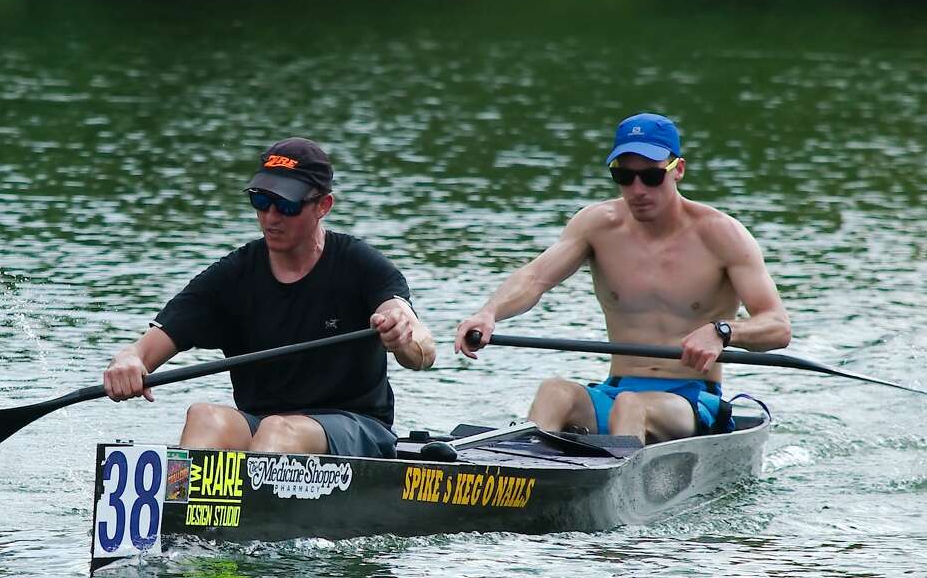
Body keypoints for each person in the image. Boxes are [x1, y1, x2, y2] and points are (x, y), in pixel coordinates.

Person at [454, 113, 791, 444]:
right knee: (554, 391)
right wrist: (489, 313)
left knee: (632, 406)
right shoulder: (597, 226)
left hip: (692, 399)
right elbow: (534, 278)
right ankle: (521, 475)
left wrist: (723, 331)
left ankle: (614, 487)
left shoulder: (723, 235)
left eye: (651, 176)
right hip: (616, 391)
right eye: (624, 175)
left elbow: (778, 327)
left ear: (679, 171)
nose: (638, 188)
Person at [104, 137, 435, 458]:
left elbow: (422, 351)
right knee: (204, 416)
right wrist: (128, 360)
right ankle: (181, 510)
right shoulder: (232, 276)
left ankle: (253, 509)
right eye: (261, 201)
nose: (271, 217)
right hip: (262, 428)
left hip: (357, 429)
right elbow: (146, 349)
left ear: (323, 205)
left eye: (287, 205)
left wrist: (403, 336)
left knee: (280, 430)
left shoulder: (361, 264)